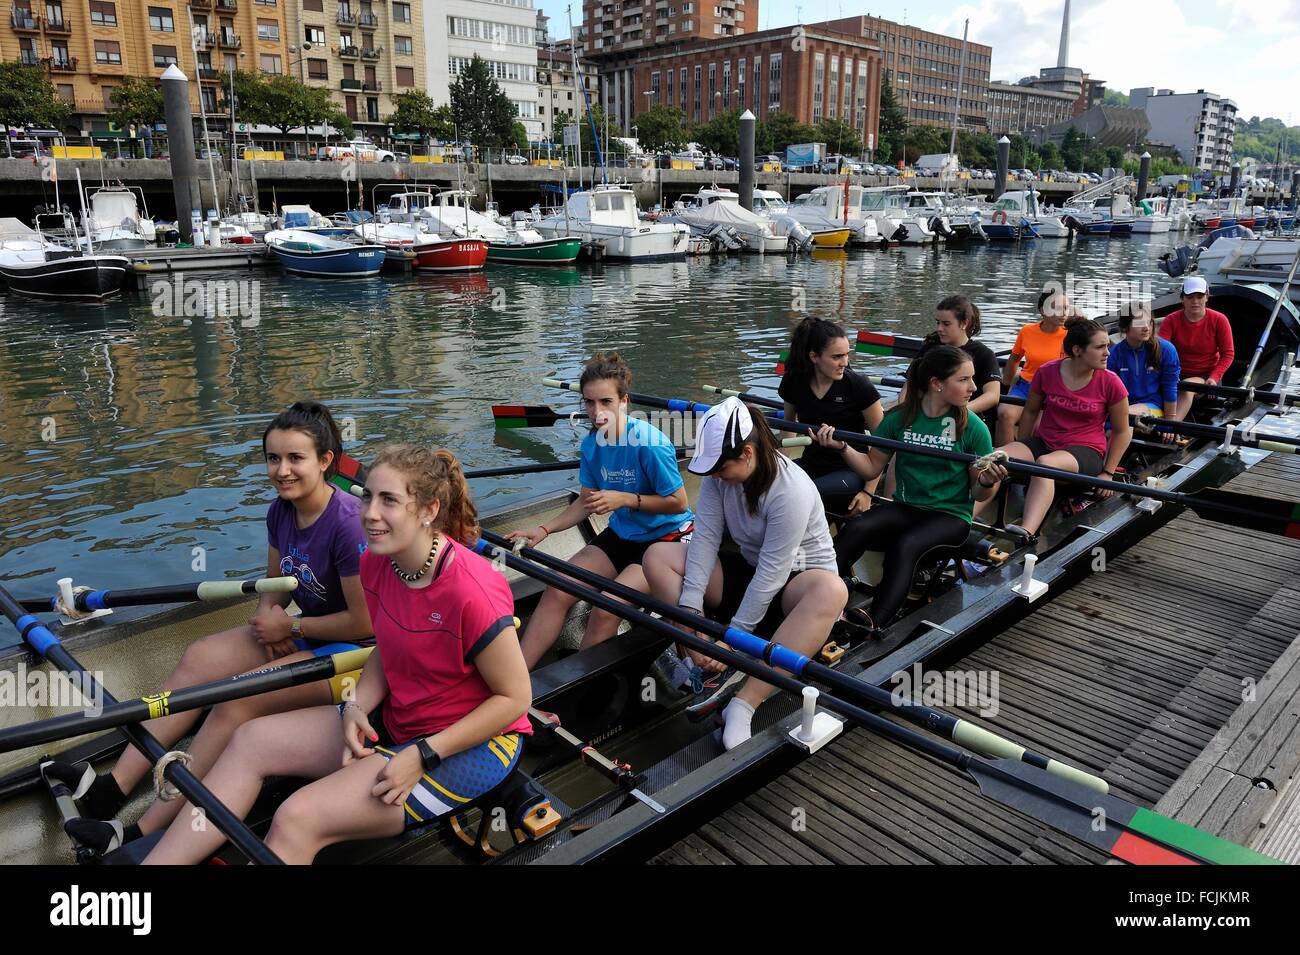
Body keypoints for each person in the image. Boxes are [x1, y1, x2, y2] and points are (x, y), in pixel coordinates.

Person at [144, 446, 533, 864]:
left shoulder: (473, 590)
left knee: (296, 819)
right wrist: (356, 706)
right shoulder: (378, 564)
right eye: (367, 497)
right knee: (249, 740)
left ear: (428, 510)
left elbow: (513, 700)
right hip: (398, 721)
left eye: (389, 501)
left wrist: (422, 755)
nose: (370, 513)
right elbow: (387, 648)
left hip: (470, 748)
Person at [56, 401, 373, 852]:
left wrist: (294, 631)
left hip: (357, 653)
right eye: (273, 458)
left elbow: (364, 621)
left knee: (234, 701)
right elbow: (275, 584)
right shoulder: (280, 511)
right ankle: (112, 790)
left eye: (296, 458)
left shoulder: (347, 526)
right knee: (200, 657)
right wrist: (268, 613)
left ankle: (140, 830)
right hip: (306, 630)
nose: (282, 470)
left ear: (326, 461)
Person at [642, 397, 847, 751]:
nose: (716, 476)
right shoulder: (720, 476)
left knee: (833, 591)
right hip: (752, 573)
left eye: (721, 468)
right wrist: (691, 615)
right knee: (658, 555)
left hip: (796, 588)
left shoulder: (790, 491)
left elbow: (772, 572)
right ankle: (700, 661)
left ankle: (743, 703)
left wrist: (733, 639)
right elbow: (704, 538)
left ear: (748, 454)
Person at [506, 353, 693, 669]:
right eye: (589, 403)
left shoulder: (650, 443)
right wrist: (544, 530)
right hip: (623, 536)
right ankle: (516, 678)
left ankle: (577, 686)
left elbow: (679, 502)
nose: (596, 412)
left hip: (667, 541)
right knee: (557, 587)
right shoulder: (593, 445)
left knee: (605, 610)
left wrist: (625, 499)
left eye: (605, 401)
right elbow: (585, 502)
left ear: (624, 400)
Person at [819, 346, 1006, 630]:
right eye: (964, 380)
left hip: (951, 517)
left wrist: (987, 482)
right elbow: (871, 468)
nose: (974, 387)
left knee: (906, 545)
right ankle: (823, 597)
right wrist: (842, 447)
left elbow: (978, 495)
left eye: (973, 379)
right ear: (937, 384)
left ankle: (873, 623)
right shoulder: (899, 419)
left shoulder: (973, 428)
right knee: (856, 528)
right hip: (907, 508)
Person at [990, 319, 1133, 539]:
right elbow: (1030, 411)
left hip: (1086, 451)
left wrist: (1108, 473)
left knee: (1046, 464)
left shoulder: (1111, 382)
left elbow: (1123, 431)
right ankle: (963, 520)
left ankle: (1027, 531)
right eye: (1099, 347)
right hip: (1045, 442)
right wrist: (1024, 444)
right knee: (994, 458)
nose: (1107, 353)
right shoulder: (1047, 372)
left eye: (1107, 346)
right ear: (1077, 350)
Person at [778, 317, 884, 518]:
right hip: (812, 463)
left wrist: (868, 492)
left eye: (846, 355)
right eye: (837, 357)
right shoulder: (794, 380)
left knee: (803, 494)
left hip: (852, 469)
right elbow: (788, 428)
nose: (845, 363)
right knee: (768, 485)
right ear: (814, 356)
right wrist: (779, 468)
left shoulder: (859, 386)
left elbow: (883, 445)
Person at [904, 296, 1002, 417]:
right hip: (928, 415)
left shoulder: (983, 353)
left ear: (964, 323)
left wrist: (956, 412)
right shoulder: (929, 349)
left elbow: (992, 396)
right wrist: (907, 413)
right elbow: (909, 387)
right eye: (938, 322)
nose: (939, 329)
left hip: (967, 418)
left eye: (946, 324)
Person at [996, 289, 1071, 445]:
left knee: (1038, 427)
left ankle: (1030, 462)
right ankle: (1003, 460)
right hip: (1025, 386)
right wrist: (1005, 388)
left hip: (1052, 391)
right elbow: (1014, 360)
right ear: (1043, 310)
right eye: (1057, 308)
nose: (1063, 313)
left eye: (1066, 308)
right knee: (1004, 414)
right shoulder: (1027, 331)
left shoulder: (1070, 335)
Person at [1159, 276, 1235, 420]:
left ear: (1207, 297)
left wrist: (1214, 377)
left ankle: (1171, 426)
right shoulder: (1171, 320)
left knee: (1187, 387)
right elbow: (1161, 350)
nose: (1195, 301)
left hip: (1207, 377)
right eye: (1190, 297)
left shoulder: (1219, 320)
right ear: (1182, 299)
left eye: (1199, 297)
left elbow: (1228, 354)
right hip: (1176, 373)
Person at [1107, 304, 1182, 437]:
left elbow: (1170, 388)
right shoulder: (1113, 354)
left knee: (1121, 418)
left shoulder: (1166, 350)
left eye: (1149, 322)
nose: (1147, 328)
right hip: (1123, 409)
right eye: (1140, 323)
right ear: (1125, 327)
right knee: (1115, 422)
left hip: (1153, 407)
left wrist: (1170, 424)